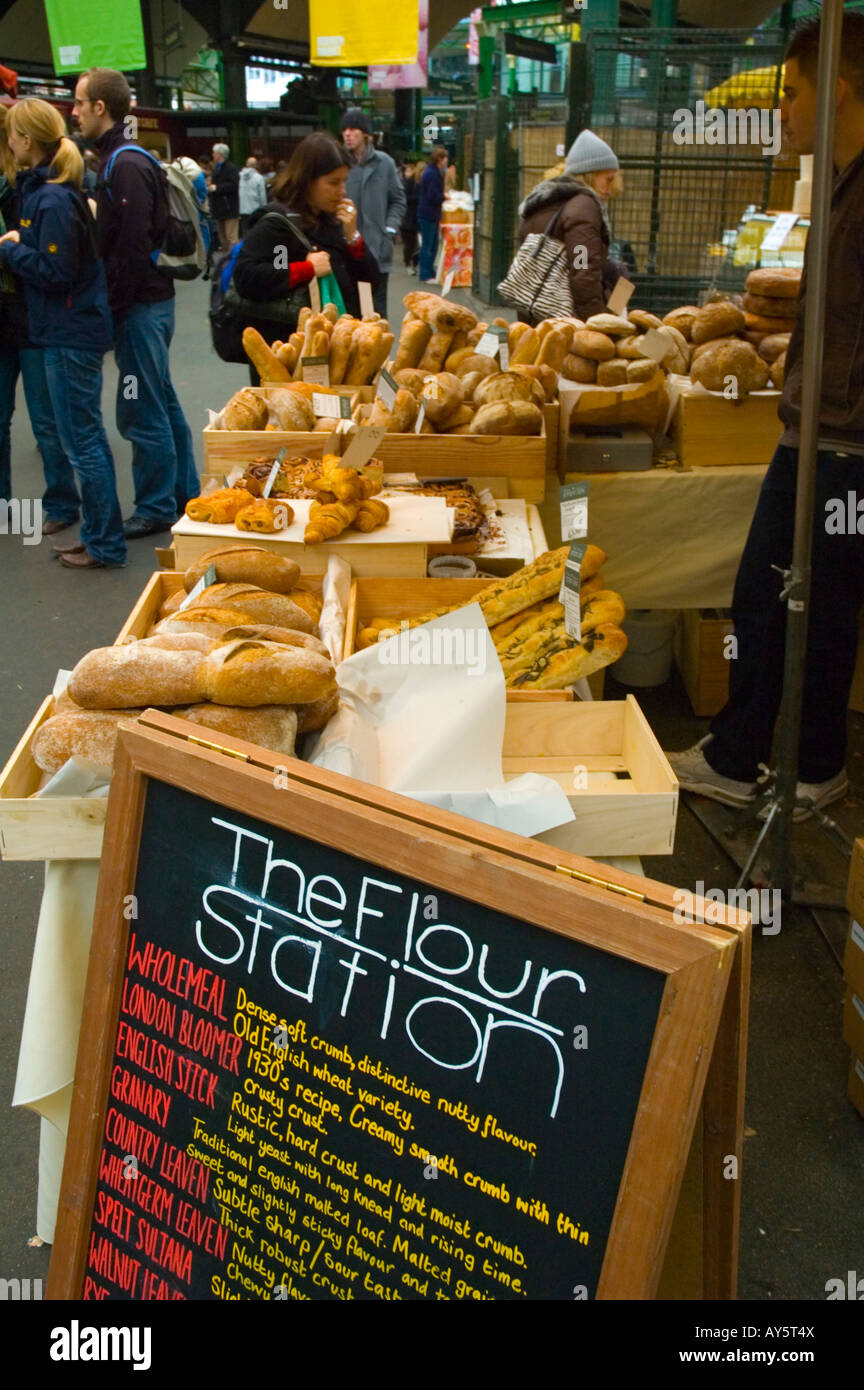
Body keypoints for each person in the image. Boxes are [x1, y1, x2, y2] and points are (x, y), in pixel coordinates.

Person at [669, 13, 864, 819]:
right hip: (824, 432)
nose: (781, 112)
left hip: (841, 443)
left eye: (792, 93)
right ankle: (805, 760)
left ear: (839, 91)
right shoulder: (844, 180)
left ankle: (744, 756)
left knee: (775, 597)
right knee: (816, 604)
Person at [73, 66, 198, 539]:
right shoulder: (131, 160)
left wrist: (112, 309)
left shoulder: (122, 165)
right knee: (160, 398)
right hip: (152, 303)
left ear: (100, 107)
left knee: (140, 405)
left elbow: (127, 249)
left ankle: (155, 505)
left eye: (80, 102)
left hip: (138, 307)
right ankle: (182, 492)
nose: (75, 111)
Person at [0, 98, 125, 569]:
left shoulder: (50, 198)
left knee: (83, 441)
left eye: (12, 134)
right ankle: (96, 535)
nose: (8, 141)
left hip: (69, 332)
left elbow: (57, 271)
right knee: (81, 437)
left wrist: (12, 251)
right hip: (67, 329)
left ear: (26, 140)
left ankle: (105, 543)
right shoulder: (52, 191)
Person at [232, 132, 380, 385]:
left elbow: (370, 281)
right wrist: (305, 268)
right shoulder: (278, 224)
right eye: (333, 183)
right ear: (308, 181)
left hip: (333, 355)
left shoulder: (331, 220)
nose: (341, 191)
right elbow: (249, 276)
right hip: (287, 358)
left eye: (344, 182)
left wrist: (353, 238)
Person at [0, 105, 82, 533]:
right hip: (11, 317)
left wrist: (11, 248)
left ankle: (62, 505)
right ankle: (3, 509)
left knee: (47, 420)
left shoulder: (30, 188)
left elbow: (51, 263)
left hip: (30, 317)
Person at [517, 129, 620, 321]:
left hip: (533, 308)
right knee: (622, 280)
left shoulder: (544, 202)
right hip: (566, 314)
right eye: (608, 179)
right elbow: (582, 266)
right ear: (590, 174)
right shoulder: (583, 206)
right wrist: (598, 323)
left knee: (616, 273)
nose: (610, 187)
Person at [341, 108, 405, 318]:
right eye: (344, 130)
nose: (347, 134)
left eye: (353, 129)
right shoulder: (339, 163)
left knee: (377, 318)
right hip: (346, 251)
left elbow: (398, 199)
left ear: (365, 134)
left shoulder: (384, 163)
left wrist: (389, 229)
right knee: (350, 317)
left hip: (378, 249)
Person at [417, 146, 447, 284]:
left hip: (428, 213)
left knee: (431, 244)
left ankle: (428, 271)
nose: (446, 161)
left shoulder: (430, 172)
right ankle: (425, 273)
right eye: (445, 158)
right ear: (440, 159)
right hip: (429, 213)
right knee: (429, 245)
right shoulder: (432, 174)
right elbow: (433, 196)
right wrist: (444, 197)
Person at [209, 143, 239, 249]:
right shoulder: (217, 168)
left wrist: (216, 188)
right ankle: (226, 261)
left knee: (231, 237)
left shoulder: (231, 168)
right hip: (219, 208)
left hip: (229, 207)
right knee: (222, 238)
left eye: (214, 153)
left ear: (219, 154)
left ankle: (234, 261)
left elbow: (233, 185)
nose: (212, 155)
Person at [238, 155, 267, 236]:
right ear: (256, 165)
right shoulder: (259, 178)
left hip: (242, 209)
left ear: (246, 164)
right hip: (255, 209)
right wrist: (264, 209)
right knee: (255, 232)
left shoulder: (239, 176)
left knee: (245, 231)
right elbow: (262, 195)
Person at [401, 159, 421, 273]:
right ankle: (408, 263)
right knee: (410, 242)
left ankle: (414, 263)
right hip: (409, 216)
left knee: (416, 242)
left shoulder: (417, 183)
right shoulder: (410, 183)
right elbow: (405, 198)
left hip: (415, 216)